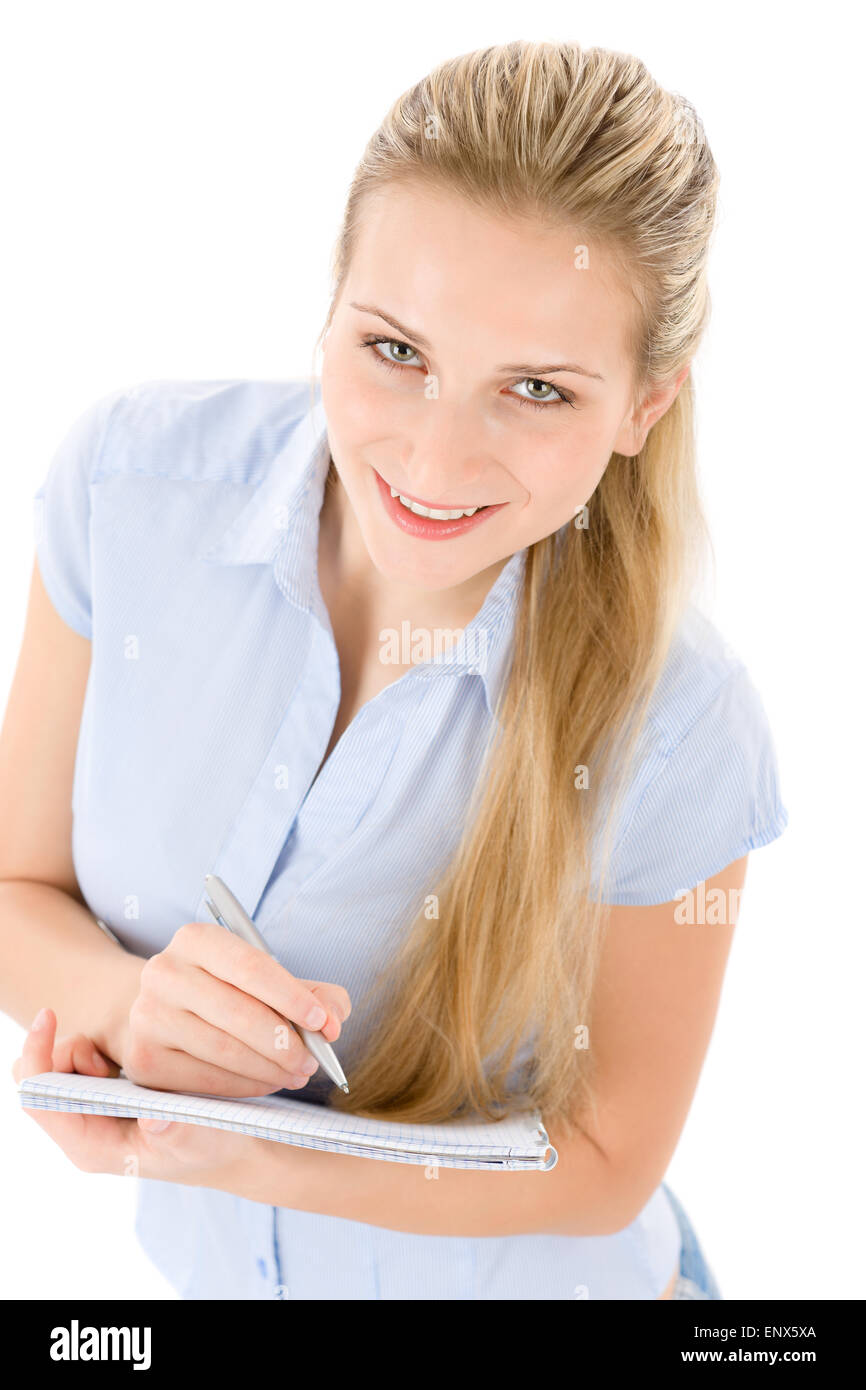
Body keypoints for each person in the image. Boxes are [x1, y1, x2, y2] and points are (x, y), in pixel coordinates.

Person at [2, 38, 787, 1300]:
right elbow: (14, 885)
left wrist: (253, 1150)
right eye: (395, 350)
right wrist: (124, 1007)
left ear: (643, 406)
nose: (434, 458)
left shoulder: (682, 722)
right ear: (332, 298)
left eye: (535, 388)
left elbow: (601, 1162)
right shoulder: (128, 490)